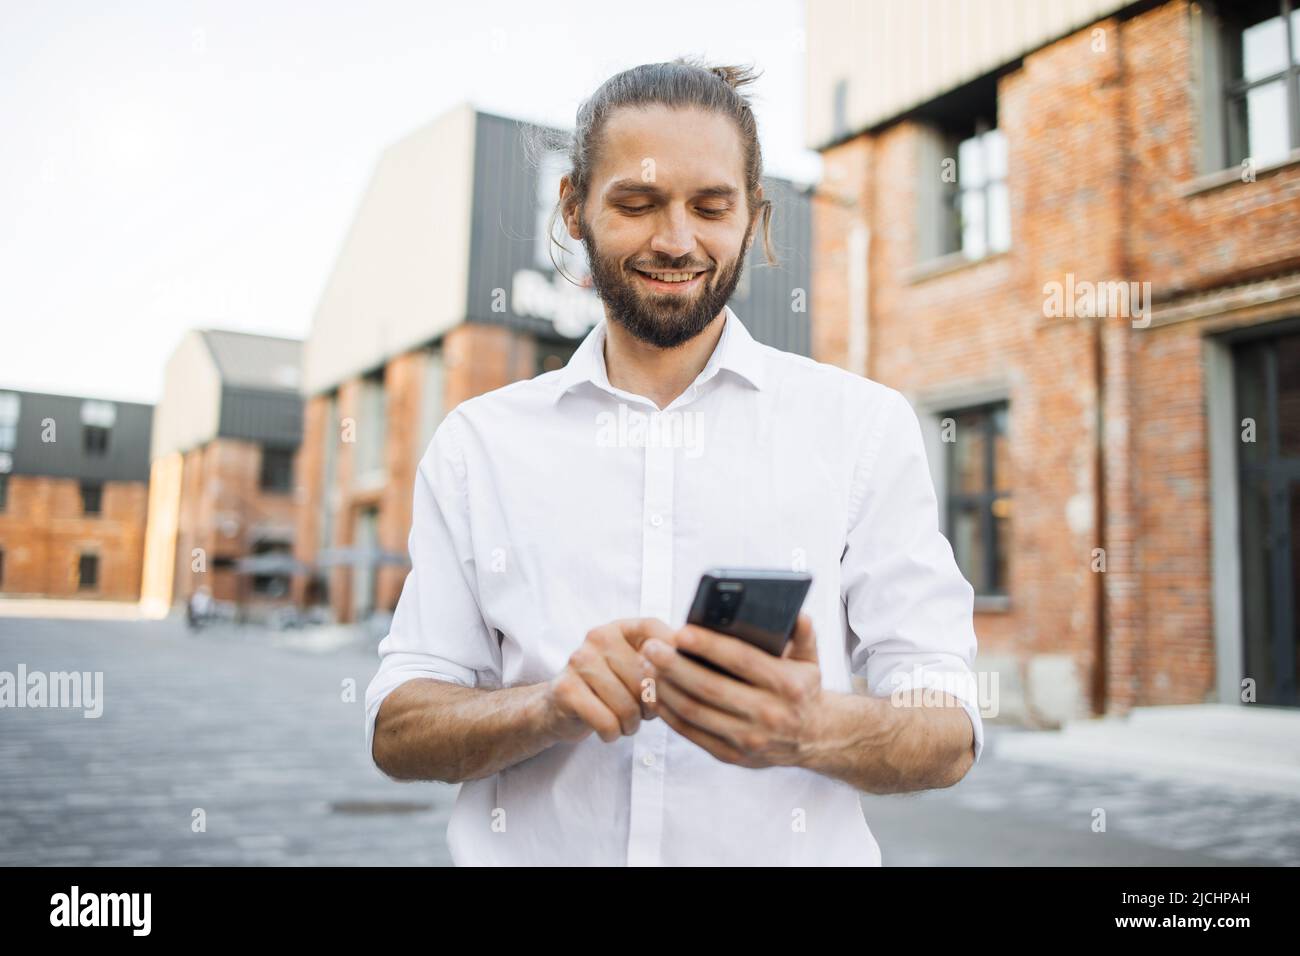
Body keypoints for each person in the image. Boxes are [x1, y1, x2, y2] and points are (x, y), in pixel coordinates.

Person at [365, 58, 983, 866]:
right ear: (574, 209)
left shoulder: (860, 428)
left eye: (711, 207)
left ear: (754, 220)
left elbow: (948, 729)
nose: (676, 240)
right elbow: (399, 729)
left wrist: (809, 728)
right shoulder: (478, 446)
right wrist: (550, 707)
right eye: (636, 202)